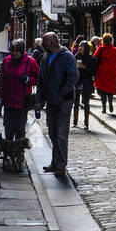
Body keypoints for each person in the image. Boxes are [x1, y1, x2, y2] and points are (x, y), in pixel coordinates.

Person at [36, 31, 79, 176]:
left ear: (52, 42)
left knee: (61, 133)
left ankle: (61, 165)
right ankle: (55, 162)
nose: (42, 45)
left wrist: (61, 93)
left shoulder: (67, 57)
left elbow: (73, 77)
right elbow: (40, 80)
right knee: (52, 132)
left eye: (45, 42)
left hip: (64, 101)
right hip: (51, 101)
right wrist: (39, 100)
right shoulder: (45, 58)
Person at [0, 39, 40, 142]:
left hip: (22, 102)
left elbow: (39, 79)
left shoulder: (30, 62)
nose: (14, 53)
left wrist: (28, 79)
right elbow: (1, 80)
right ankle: (8, 154)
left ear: (22, 50)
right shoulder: (6, 61)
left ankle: (19, 155)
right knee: (8, 130)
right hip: (8, 101)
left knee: (20, 131)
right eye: (13, 50)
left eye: (17, 51)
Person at [93, 33, 116, 113]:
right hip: (112, 73)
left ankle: (104, 107)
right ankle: (110, 102)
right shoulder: (115, 50)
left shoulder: (100, 49)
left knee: (101, 90)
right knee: (110, 90)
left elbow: (94, 58)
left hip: (101, 73)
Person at [73, 40, 96, 130]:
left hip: (86, 82)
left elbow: (93, 71)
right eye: (79, 46)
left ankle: (86, 123)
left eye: (81, 46)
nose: (80, 48)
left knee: (86, 103)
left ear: (85, 48)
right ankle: (75, 122)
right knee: (76, 103)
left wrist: (84, 67)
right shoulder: (76, 56)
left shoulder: (90, 58)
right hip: (77, 81)